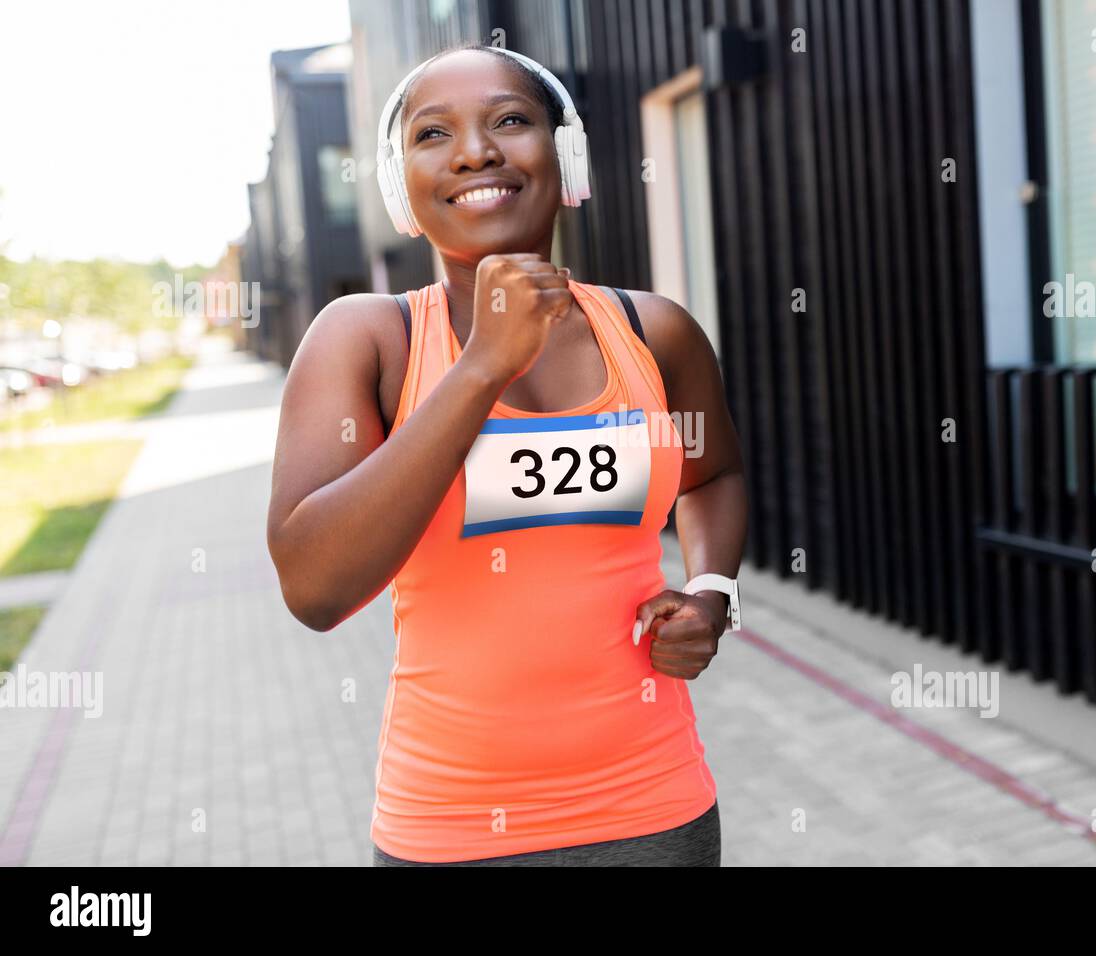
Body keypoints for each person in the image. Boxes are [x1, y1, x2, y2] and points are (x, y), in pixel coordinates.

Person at [265, 40, 747, 866]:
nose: (476, 151)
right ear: (400, 186)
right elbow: (315, 590)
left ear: (566, 157)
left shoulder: (652, 331)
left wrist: (710, 592)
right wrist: (483, 364)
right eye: (433, 133)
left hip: (654, 811)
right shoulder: (366, 340)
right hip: (447, 830)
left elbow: (715, 473)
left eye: (510, 121)